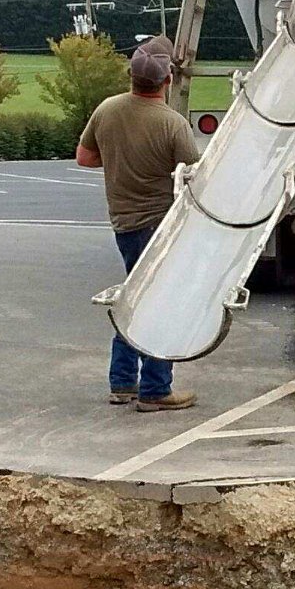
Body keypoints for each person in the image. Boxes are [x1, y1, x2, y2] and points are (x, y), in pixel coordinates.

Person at [77, 37, 202, 411]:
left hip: (124, 223)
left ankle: (122, 382)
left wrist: (118, 161)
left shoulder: (107, 110)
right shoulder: (173, 124)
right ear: (167, 82)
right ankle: (155, 389)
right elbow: (194, 176)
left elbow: (85, 157)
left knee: (134, 297)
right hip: (160, 226)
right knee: (160, 304)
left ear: (131, 77)